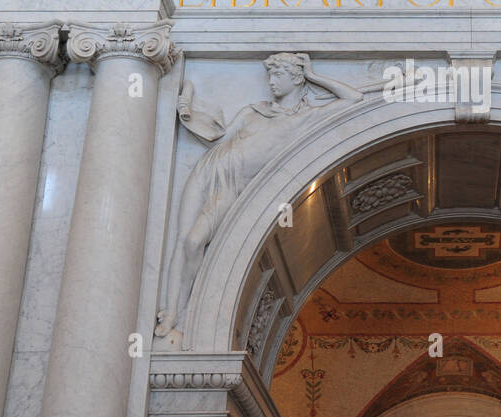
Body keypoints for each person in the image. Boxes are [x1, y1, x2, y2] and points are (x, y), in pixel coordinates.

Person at [155, 53, 363, 338]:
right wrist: (189, 112)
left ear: (297, 78)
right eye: (269, 76)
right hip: (211, 168)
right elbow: (219, 137)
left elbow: (353, 100)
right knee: (181, 238)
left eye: (278, 76)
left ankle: (187, 311)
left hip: (234, 186)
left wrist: (315, 76)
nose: (272, 82)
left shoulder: (307, 119)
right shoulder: (254, 110)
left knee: (194, 241)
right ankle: (171, 315)